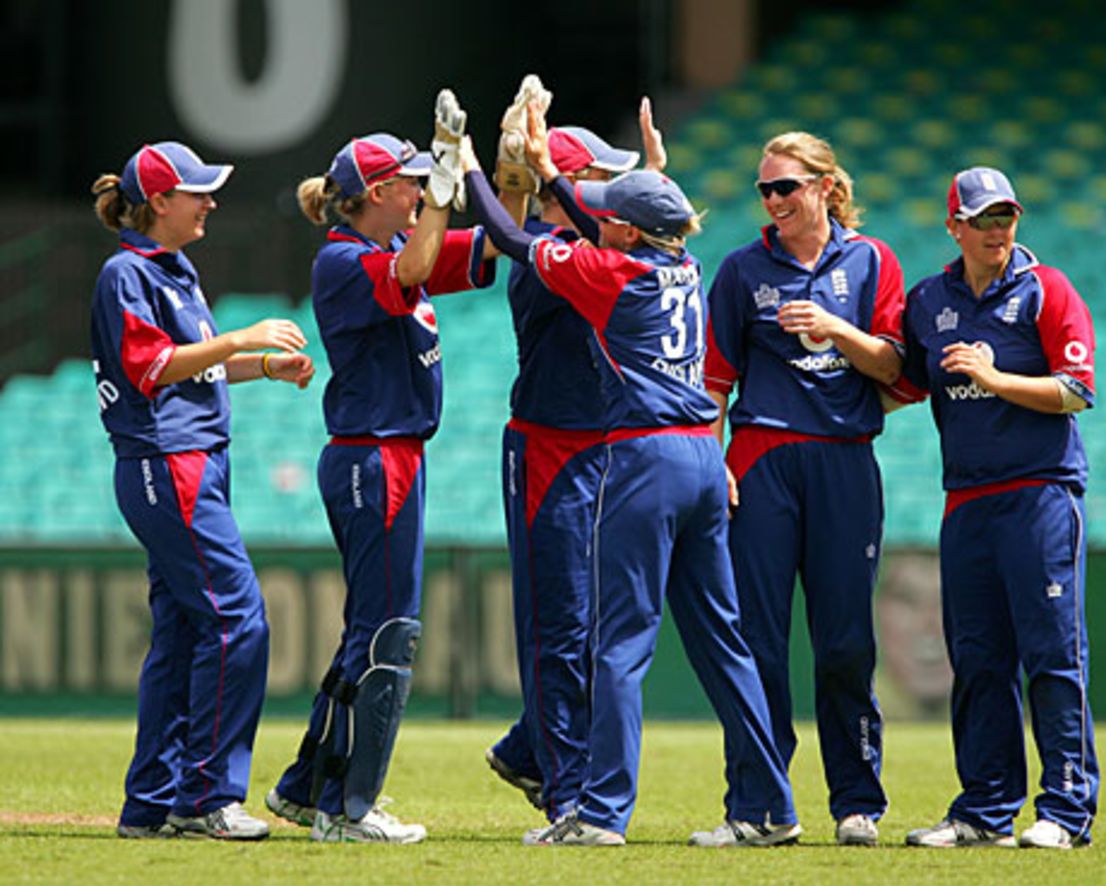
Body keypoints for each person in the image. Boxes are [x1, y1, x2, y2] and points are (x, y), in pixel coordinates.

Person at [465, 111, 798, 847]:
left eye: (612, 215)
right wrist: (555, 173)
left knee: (618, 647)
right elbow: (611, 222)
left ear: (625, 230)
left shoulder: (609, 273)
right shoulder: (684, 264)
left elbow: (515, 239)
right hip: (705, 455)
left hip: (646, 461)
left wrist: (468, 169)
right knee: (725, 643)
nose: (602, 219)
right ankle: (770, 808)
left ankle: (600, 814)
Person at [263, 90, 500, 844]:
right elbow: (415, 264)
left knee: (370, 629)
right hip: (374, 457)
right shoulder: (344, 260)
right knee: (388, 631)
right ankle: (349, 808)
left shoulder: (396, 248)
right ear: (375, 193)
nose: (423, 190)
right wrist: (443, 194)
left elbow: (498, 242)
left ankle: (308, 789)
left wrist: (509, 168)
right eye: (411, 181)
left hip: (389, 454)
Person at [90, 141, 315, 840]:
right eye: (197, 192)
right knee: (238, 619)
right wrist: (240, 339)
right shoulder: (127, 273)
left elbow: (197, 367)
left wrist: (264, 366)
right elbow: (153, 367)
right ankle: (206, 796)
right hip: (168, 462)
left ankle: (151, 804)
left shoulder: (173, 269)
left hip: (195, 459)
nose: (210, 202)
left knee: (185, 632)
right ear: (159, 201)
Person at [704, 131, 906, 846]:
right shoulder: (740, 270)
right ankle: (758, 806)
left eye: (786, 186)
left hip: (845, 463)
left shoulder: (873, 259)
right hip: (761, 462)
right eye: (765, 189)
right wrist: (714, 461)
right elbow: (713, 381)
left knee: (845, 643)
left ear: (824, 186)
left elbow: (893, 367)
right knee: (756, 641)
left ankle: (857, 804)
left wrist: (833, 328)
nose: (774, 200)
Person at [893, 167, 1099, 850]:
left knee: (1052, 654)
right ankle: (984, 810)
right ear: (954, 226)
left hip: (1040, 494)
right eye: (981, 218)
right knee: (978, 659)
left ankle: (1065, 810)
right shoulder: (929, 300)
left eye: (1005, 216)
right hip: (966, 501)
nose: (995, 230)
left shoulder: (1047, 289)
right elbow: (904, 384)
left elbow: (1074, 391)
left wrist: (993, 377)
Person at [485, 92, 671, 824]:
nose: (613, 188)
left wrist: (654, 180)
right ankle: (566, 790)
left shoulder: (586, 245)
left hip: (597, 447)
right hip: (550, 447)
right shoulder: (546, 251)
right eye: (604, 176)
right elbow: (614, 245)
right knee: (560, 625)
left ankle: (530, 749)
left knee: (587, 624)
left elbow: (637, 241)